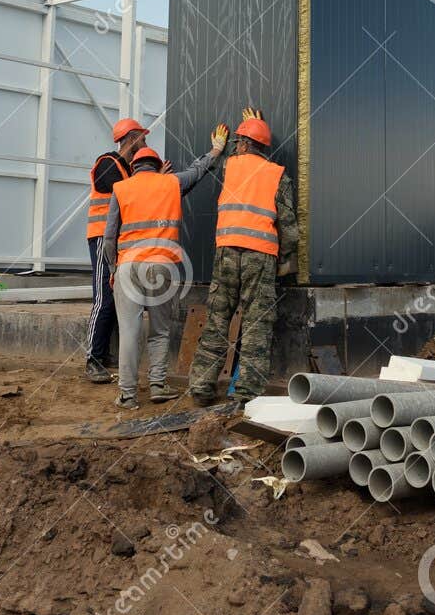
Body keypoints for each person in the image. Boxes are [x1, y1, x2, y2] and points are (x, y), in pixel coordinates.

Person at [102, 124, 229, 409]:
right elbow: (198, 171)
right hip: (161, 267)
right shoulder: (171, 183)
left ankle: (127, 394)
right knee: (159, 331)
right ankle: (158, 385)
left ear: (134, 167)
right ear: (159, 166)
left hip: (128, 267)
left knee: (129, 332)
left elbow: (109, 236)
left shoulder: (121, 188)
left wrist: (112, 269)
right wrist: (217, 150)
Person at [188, 107, 299, 405]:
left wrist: (222, 144)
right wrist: (287, 259)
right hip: (260, 258)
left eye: (239, 140)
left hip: (226, 253)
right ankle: (246, 393)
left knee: (217, 318)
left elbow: (218, 162)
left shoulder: (228, 166)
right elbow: (289, 228)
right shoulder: (278, 175)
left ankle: (201, 387)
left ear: (246, 144)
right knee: (256, 324)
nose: (236, 145)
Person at [82, 118, 148, 383]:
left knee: (114, 296)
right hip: (101, 239)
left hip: (116, 241)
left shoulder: (127, 169)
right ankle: (93, 359)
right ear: (131, 139)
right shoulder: (107, 163)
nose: (145, 143)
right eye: (142, 138)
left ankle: (102, 354)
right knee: (104, 299)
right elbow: (126, 192)